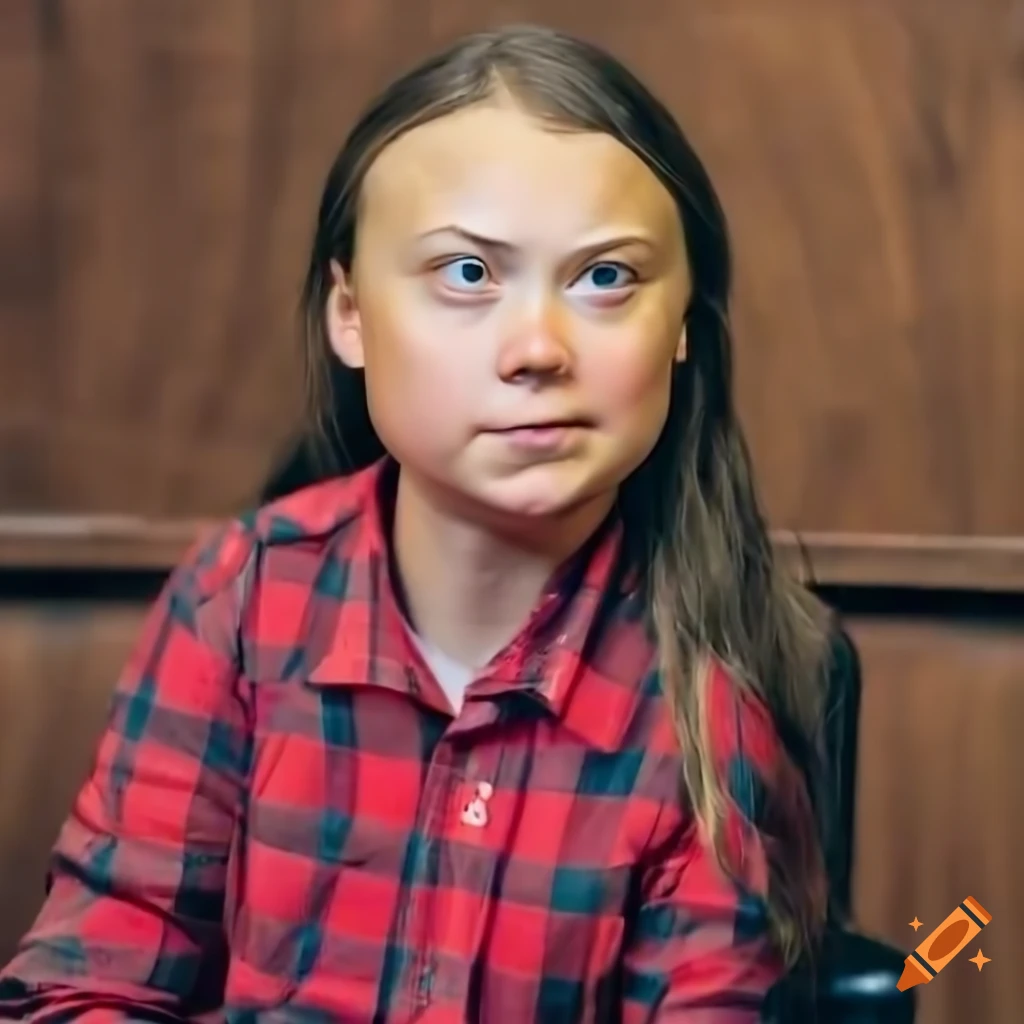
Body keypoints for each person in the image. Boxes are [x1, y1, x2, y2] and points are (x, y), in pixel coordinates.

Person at [0, 24, 833, 1023]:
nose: (536, 348)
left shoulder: (709, 701)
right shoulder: (243, 601)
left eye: (604, 277)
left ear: (685, 321)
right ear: (348, 314)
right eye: (469, 275)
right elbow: (86, 985)